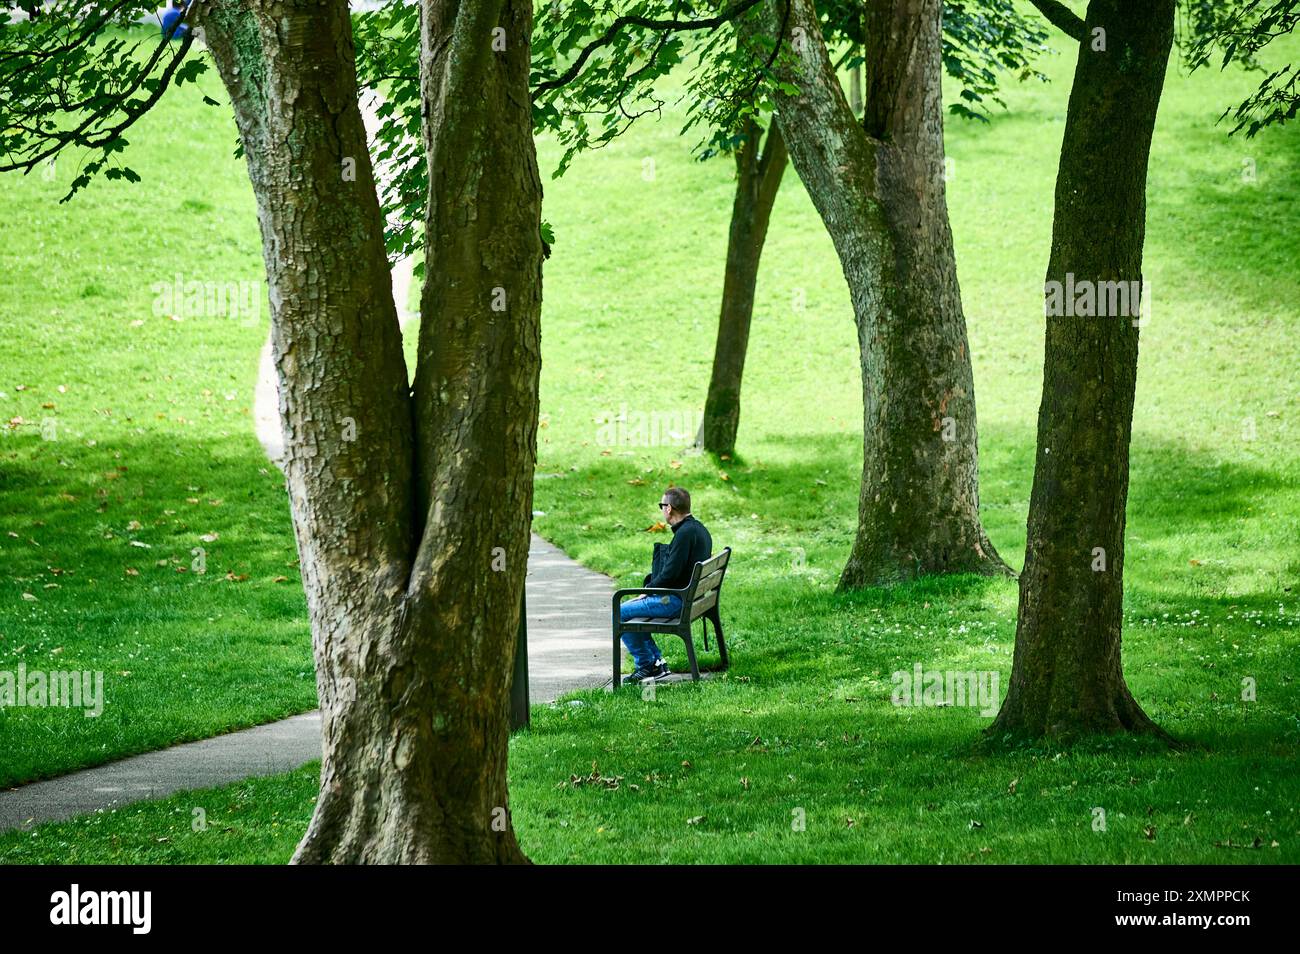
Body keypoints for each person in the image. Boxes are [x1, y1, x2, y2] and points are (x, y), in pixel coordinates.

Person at [619, 486, 712, 683]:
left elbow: (670, 575)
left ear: (669, 508)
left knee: (620, 611)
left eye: (662, 506)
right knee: (630, 611)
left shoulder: (684, 534)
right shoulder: (698, 529)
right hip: (692, 598)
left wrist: (647, 591)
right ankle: (655, 663)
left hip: (677, 601)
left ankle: (646, 664)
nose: (662, 510)